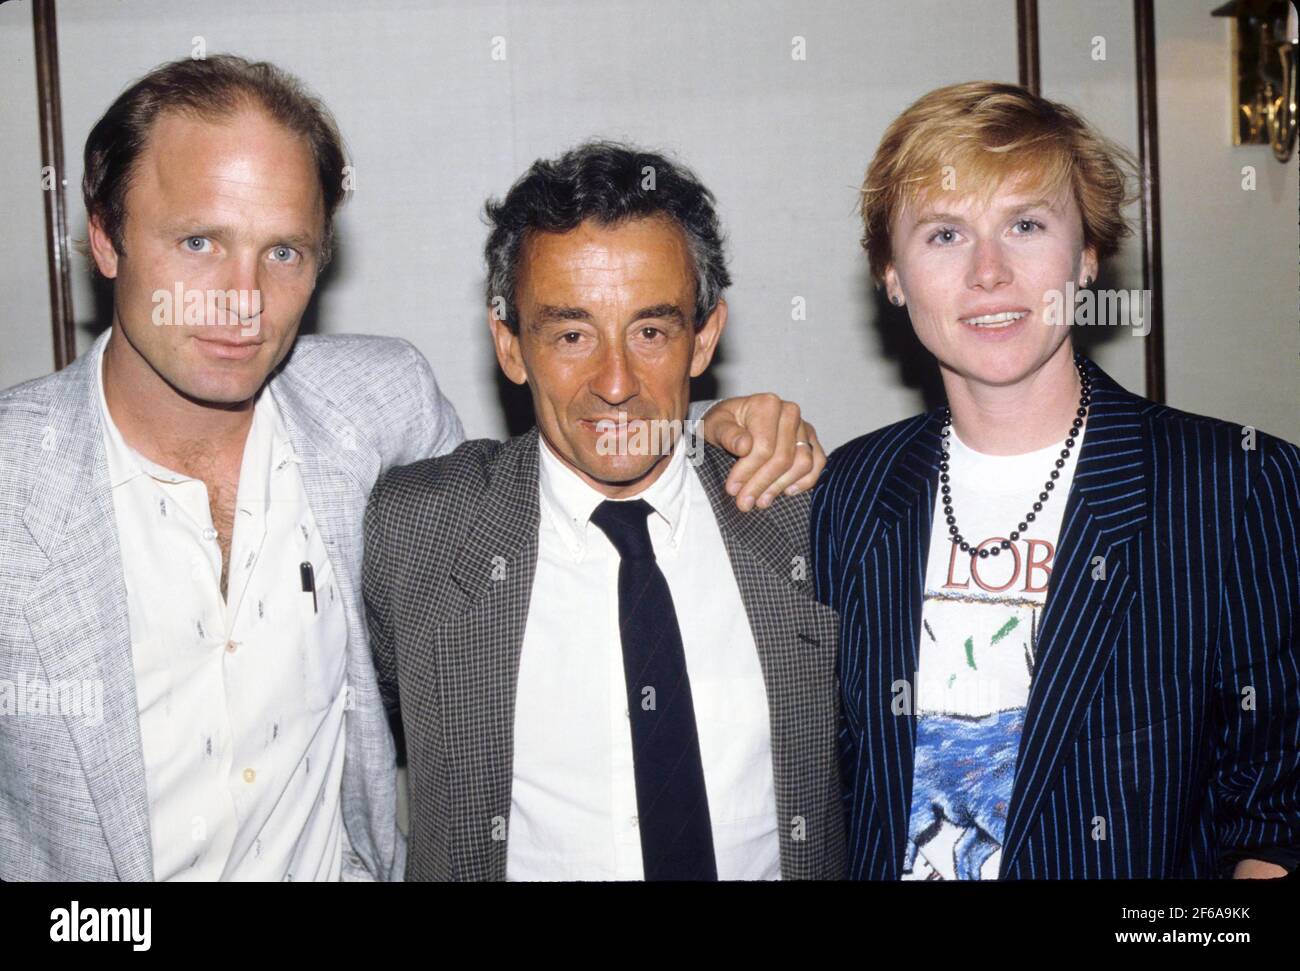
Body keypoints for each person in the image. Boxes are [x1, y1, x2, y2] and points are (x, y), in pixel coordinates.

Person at [0, 56, 823, 882]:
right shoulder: (14, 481)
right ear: (103, 236)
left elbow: (568, 459)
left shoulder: (380, 414)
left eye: (283, 250)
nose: (239, 298)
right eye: (199, 241)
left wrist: (697, 433)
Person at [812, 81, 1299, 880]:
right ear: (891, 275)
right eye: (943, 235)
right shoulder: (848, 494)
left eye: (1026, 225)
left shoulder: (1237, 489)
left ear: (1087, 255)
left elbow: (1279, 810)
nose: (990, 273)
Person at [363, 141, 847, 880]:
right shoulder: (416, 531)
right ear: (510, 346)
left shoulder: (808, 517)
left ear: (704, 336)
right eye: (571, 334)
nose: (615, 382)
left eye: (651, 331)